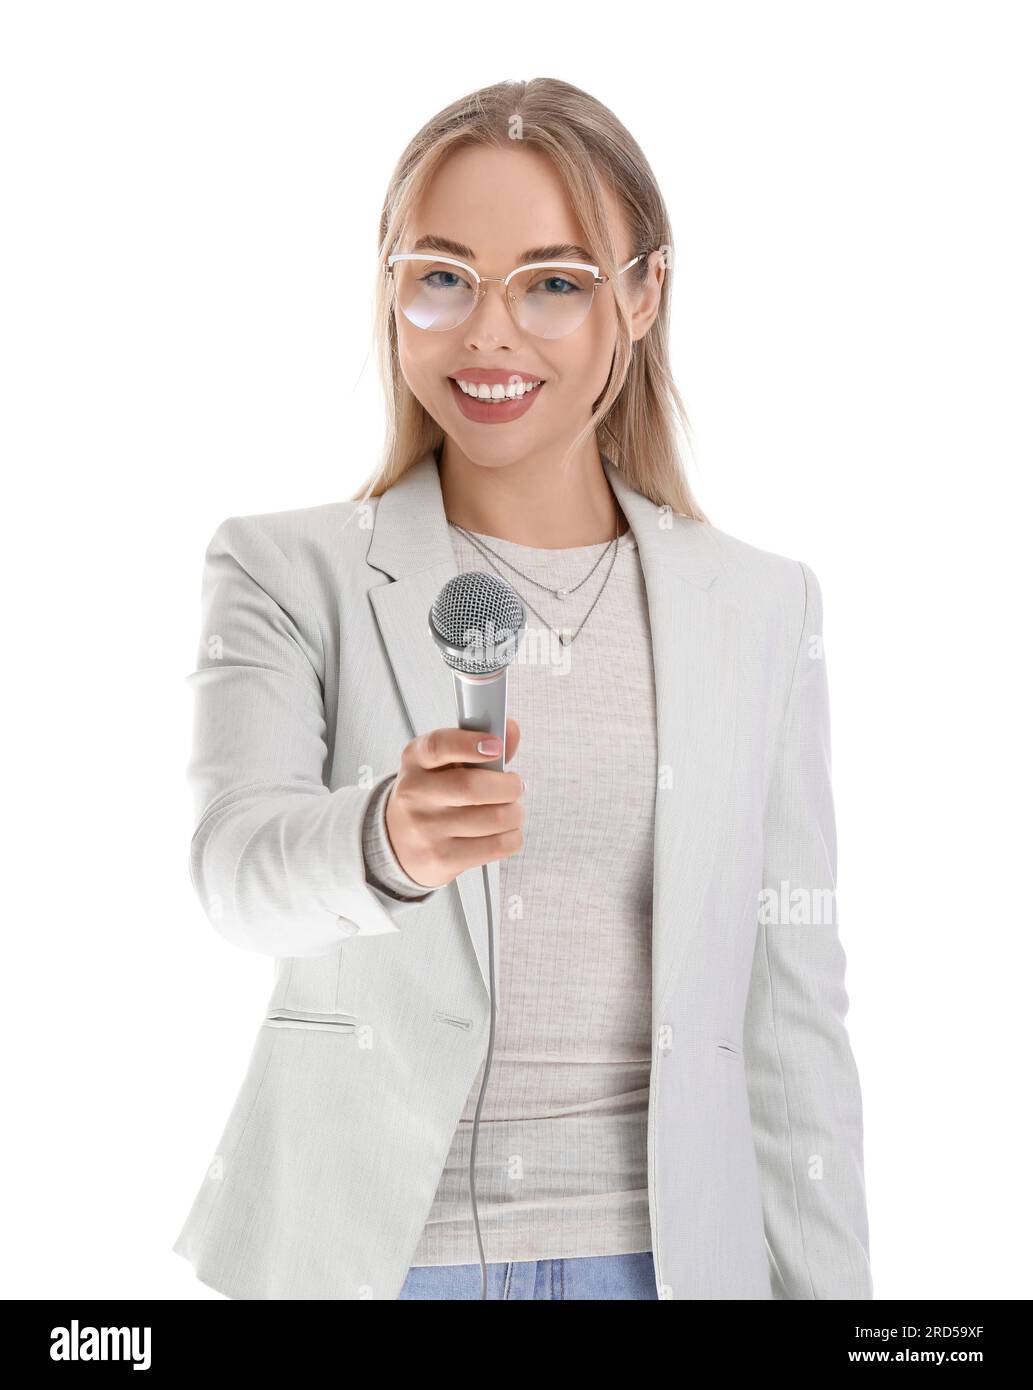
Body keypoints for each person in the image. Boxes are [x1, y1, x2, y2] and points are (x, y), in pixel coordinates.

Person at [172, 77, 873, 1302]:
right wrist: (380, 837)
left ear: (643, 296)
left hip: (665, 1261)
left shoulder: (761, 607)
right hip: (375, 1259)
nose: (487, 334)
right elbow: (234, 874)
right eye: (442, 276)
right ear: (392, 291)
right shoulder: (286, 567)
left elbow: (791, 1008)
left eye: (553, 282)